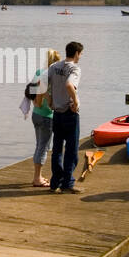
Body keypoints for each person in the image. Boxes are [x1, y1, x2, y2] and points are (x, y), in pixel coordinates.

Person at [48, 42, 83, 193]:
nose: (80, 57)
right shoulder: (74, 68)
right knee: (71, 149)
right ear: (76, 54)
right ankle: (67, 184)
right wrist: (75, 101)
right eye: (80, 54)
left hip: (57, 113)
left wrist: (50, 99)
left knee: (57, 149)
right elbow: (69, 85)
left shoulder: (54, 66)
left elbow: (43, 83)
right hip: (69, 113)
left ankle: (55, 182)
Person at [29, 48, 59, 188]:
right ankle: (37, 179)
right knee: (44, 147)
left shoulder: (39, 72)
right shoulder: (53, 76)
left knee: (39, 145)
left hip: (36, 114)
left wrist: (36, 103)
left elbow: (31, 91)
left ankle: (38, 176)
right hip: (47, 116)